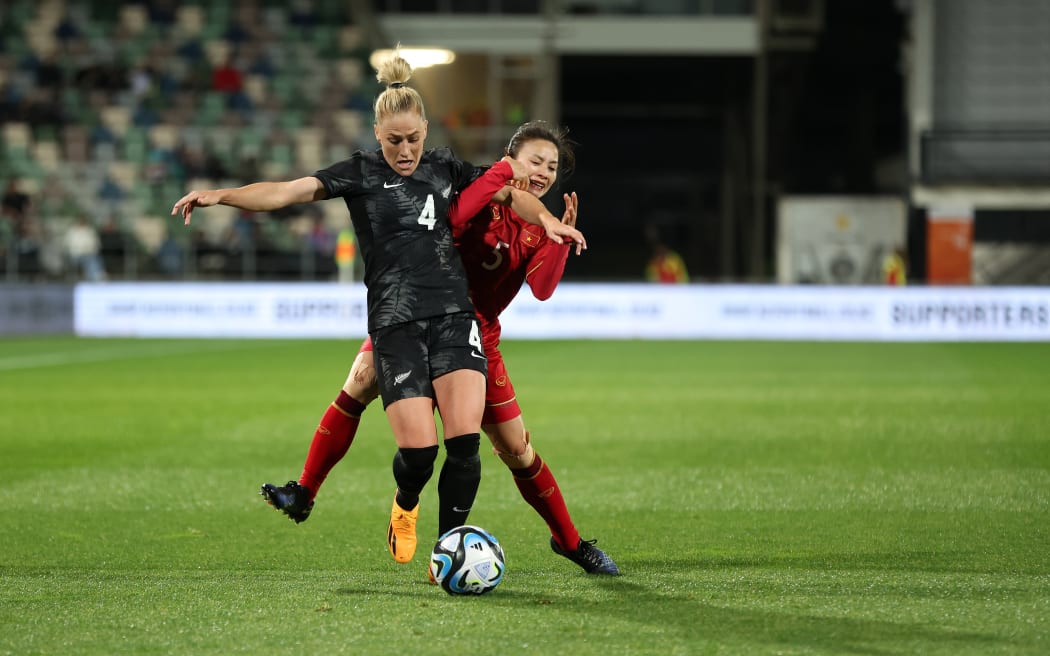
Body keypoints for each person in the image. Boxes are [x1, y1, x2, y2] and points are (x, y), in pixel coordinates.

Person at [172, 53, 586, 564]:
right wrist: (222, 195)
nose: (406, 150)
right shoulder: (360, 172)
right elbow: (287, 192)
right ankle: (379, 500)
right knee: (415, 452)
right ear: (377, 133)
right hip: (395, 320)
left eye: (414, 138)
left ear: (426, 130)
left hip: (457, 316)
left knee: (466, 446)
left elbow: (510, 194)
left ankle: (447, 551)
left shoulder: (445, 166)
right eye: (394, 141)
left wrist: (546, 221)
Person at [261, 120, 619, 575]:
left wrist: (557, 240)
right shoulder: (474, 185)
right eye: (535, 161)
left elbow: (543, 289)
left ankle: (569, 542)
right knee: (361, 382)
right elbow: (455, 216)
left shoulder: (535, 224)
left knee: (516, 449)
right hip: (412, 311)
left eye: (551, 168)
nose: (544, 173)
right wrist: (501, 180)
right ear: (510, 158)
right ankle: (306, 491)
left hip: (476, 335)